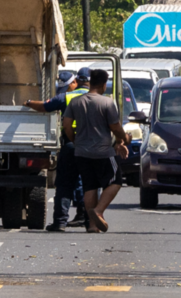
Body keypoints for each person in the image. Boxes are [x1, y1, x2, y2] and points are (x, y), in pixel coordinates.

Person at [23, 68, 91, 232]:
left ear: (77, 81)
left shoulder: (67, 97)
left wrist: (29, 102)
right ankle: (90, 221)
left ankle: (60, 222)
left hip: (71, 143)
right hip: (92, 147)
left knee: (65, 184)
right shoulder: (102, 99)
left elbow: (46, 106)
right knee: (90, 184)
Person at [63, 69, 130, 233]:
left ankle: (93, 226)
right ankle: (99, 211)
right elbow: (115, 127)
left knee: (89, 186)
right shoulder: (107, 102)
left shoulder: (76, 102)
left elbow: (66, 125)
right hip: (103, 152)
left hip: (81, 152)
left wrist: (75, 140)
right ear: (103, 84)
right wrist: (124, 138)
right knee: (116, 181)